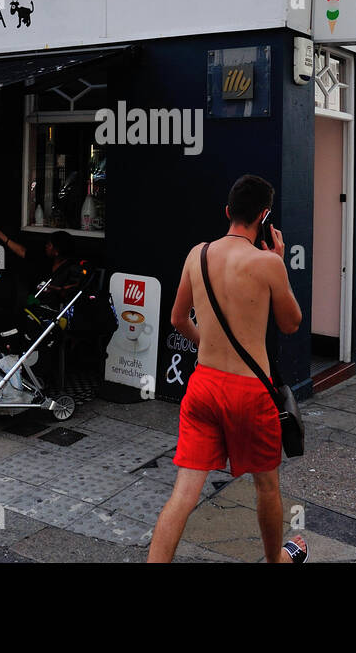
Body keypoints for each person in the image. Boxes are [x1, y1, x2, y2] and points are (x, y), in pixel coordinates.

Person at [148, 174, 307, 564]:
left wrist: (210, 344)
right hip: (250, 393)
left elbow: (178, 319)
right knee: (266, 486)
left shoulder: (197, 254)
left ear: (227, 212)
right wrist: (279, 264)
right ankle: (276, 561)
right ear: (264, 216)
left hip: (202, 386)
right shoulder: (268, 264)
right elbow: (291, 323)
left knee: (184, 493)